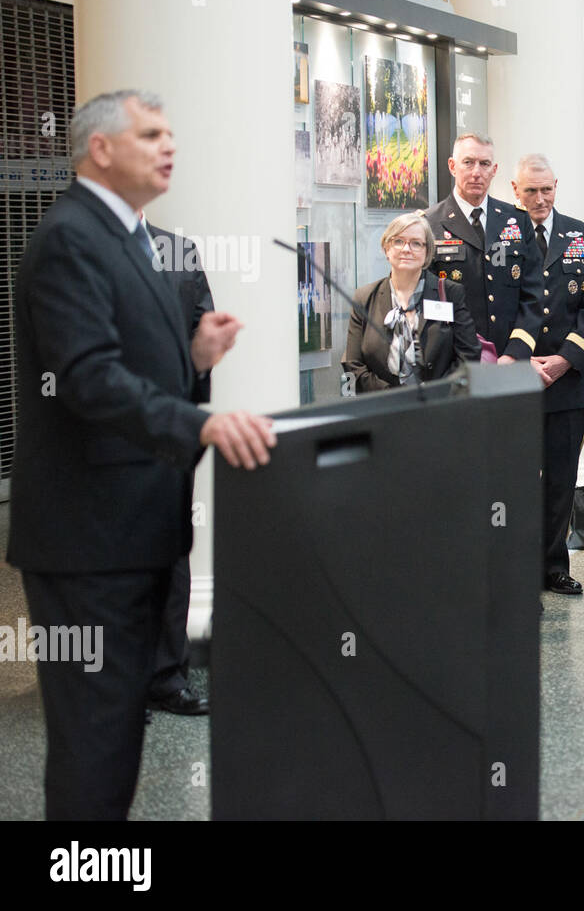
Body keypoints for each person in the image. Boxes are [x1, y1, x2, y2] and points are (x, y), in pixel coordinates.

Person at [7, 89, 276, 819]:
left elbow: (129, 368)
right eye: (151, 134)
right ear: (101, 149)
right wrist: (201, 425)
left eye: (170, 133)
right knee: (94, 745)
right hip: (85, 540)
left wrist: (193, 356)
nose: (169, 147)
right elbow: (87, 379)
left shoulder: (130, 237)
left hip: (132, 531)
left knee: (118, 735)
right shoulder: (71, 238)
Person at [510, 154, 584, 595]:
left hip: (566, 380)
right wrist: (520, 357)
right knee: (518, 480)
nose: (539, 198)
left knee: (561, 479)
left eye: (546, 189)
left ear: (556, 188)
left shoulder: (581, 236)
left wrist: (566, 358)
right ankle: (518, 567)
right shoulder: (503, 235)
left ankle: (554, 566)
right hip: (516, 378)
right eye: (530, 190)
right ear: (515, 190)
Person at [144, 216, 213, 718]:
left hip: (171, 431)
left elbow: (200, 325)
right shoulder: (85, 243)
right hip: (110, 437)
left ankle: (169, 678)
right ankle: (122, 684)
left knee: (171, 556)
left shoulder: (179, 248)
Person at [424, 132, 542, 363]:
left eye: (484, 164)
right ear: (452, 166)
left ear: (494, 169)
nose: (476, 172)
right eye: (468, 162)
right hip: (454, 361)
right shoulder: (429, 223)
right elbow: (426, 301)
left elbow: (533, 295)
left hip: (509, 361)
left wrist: (514, 353)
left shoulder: (517, 220)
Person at [342, 211, 481, 392]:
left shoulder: (450, 293)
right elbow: (352, 364)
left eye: (416, 243)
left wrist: (434, 395)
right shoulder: (364, 297)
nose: (406, 249)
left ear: (427, 252)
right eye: (398, 241)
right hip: (383, 407)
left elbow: (468, 356)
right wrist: (390, 396)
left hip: (438, 408)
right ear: (386, 249)